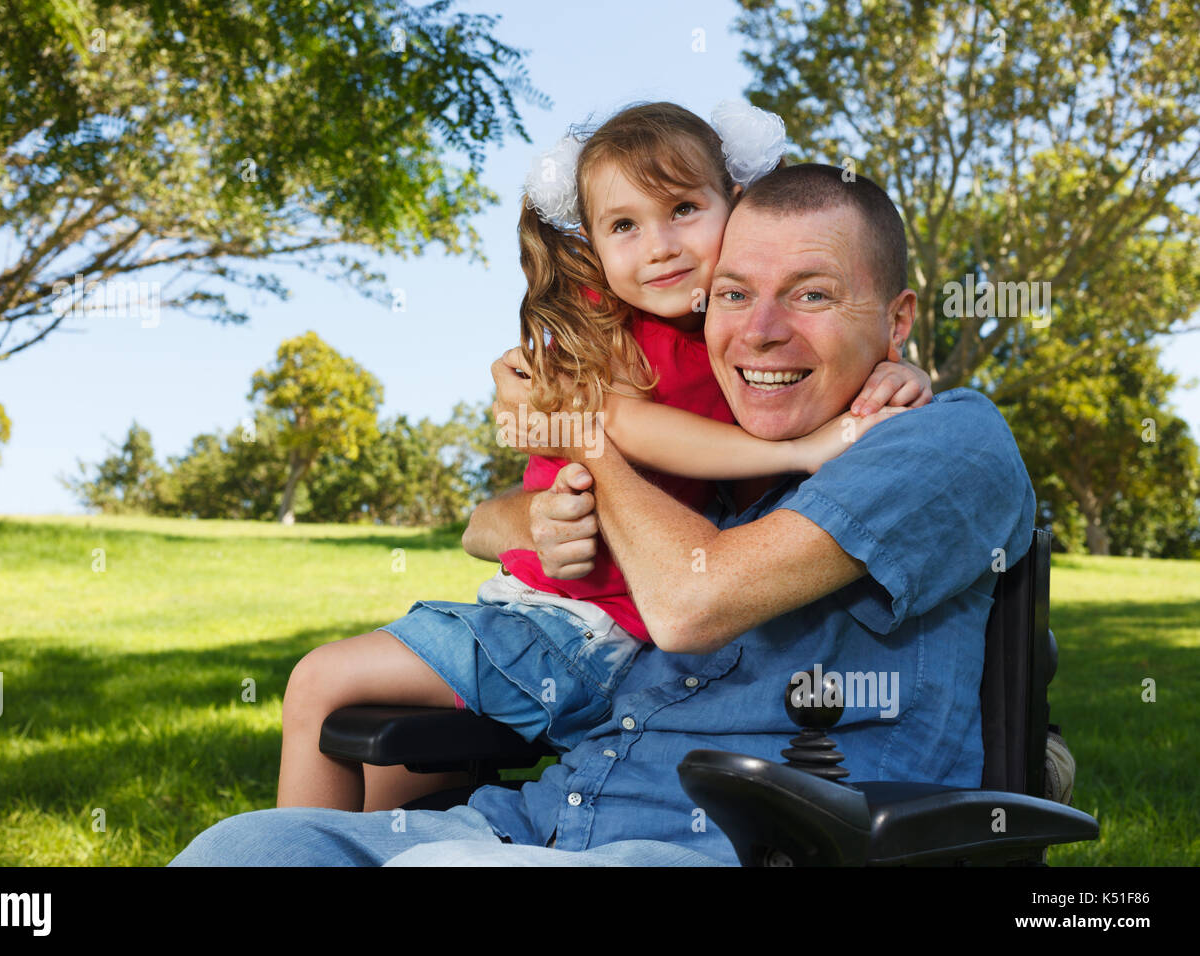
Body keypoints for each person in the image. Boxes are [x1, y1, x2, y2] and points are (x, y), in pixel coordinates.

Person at [170, 162, 1035, 866]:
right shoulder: (716, 446)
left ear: (896, 321)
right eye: (732, 295)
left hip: (736, 845)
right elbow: (487, 524)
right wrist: (543, 514)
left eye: (811, 295)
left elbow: (691, 601)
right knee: (251, 845)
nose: (761, 331)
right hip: (534, 822)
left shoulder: (946, 437)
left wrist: (585, 425)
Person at [274, 102, 931, 812]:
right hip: (546, 610)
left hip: (576, 630)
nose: (660, 246)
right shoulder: (611, 327)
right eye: (625, 225)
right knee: (383, 791)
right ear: (590, 241)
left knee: (317, 682)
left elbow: (622, 425)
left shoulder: (737, 339)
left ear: (734, 205)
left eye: (683, 208)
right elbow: (595, 437)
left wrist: (897, 379)